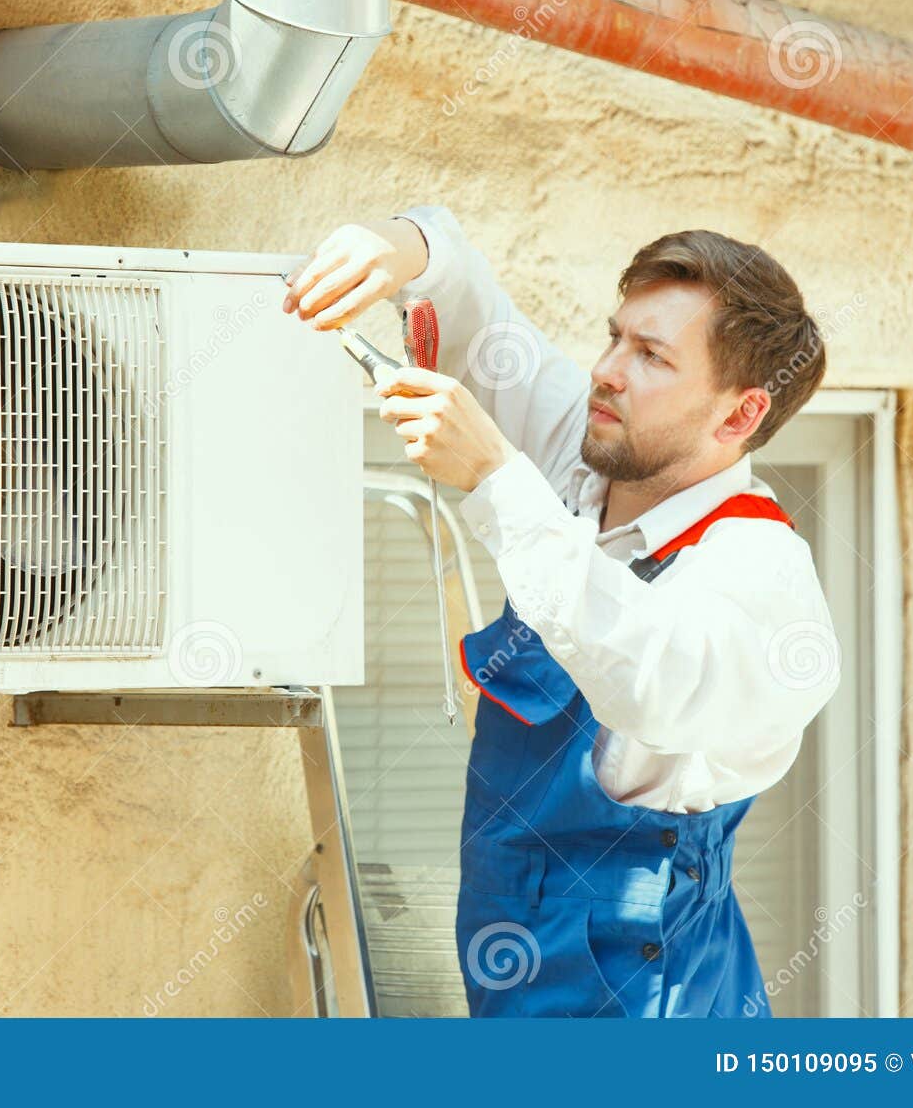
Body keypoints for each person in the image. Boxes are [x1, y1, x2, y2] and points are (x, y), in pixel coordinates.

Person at [282, 206, 842, 1018]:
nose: (606, 370)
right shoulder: (586, 463)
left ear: (740, 414)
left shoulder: (764, 579)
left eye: (650, 356)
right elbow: (476, 308)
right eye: (614, 337)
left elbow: (653, 677)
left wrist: (496, 480)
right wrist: (398, 249)